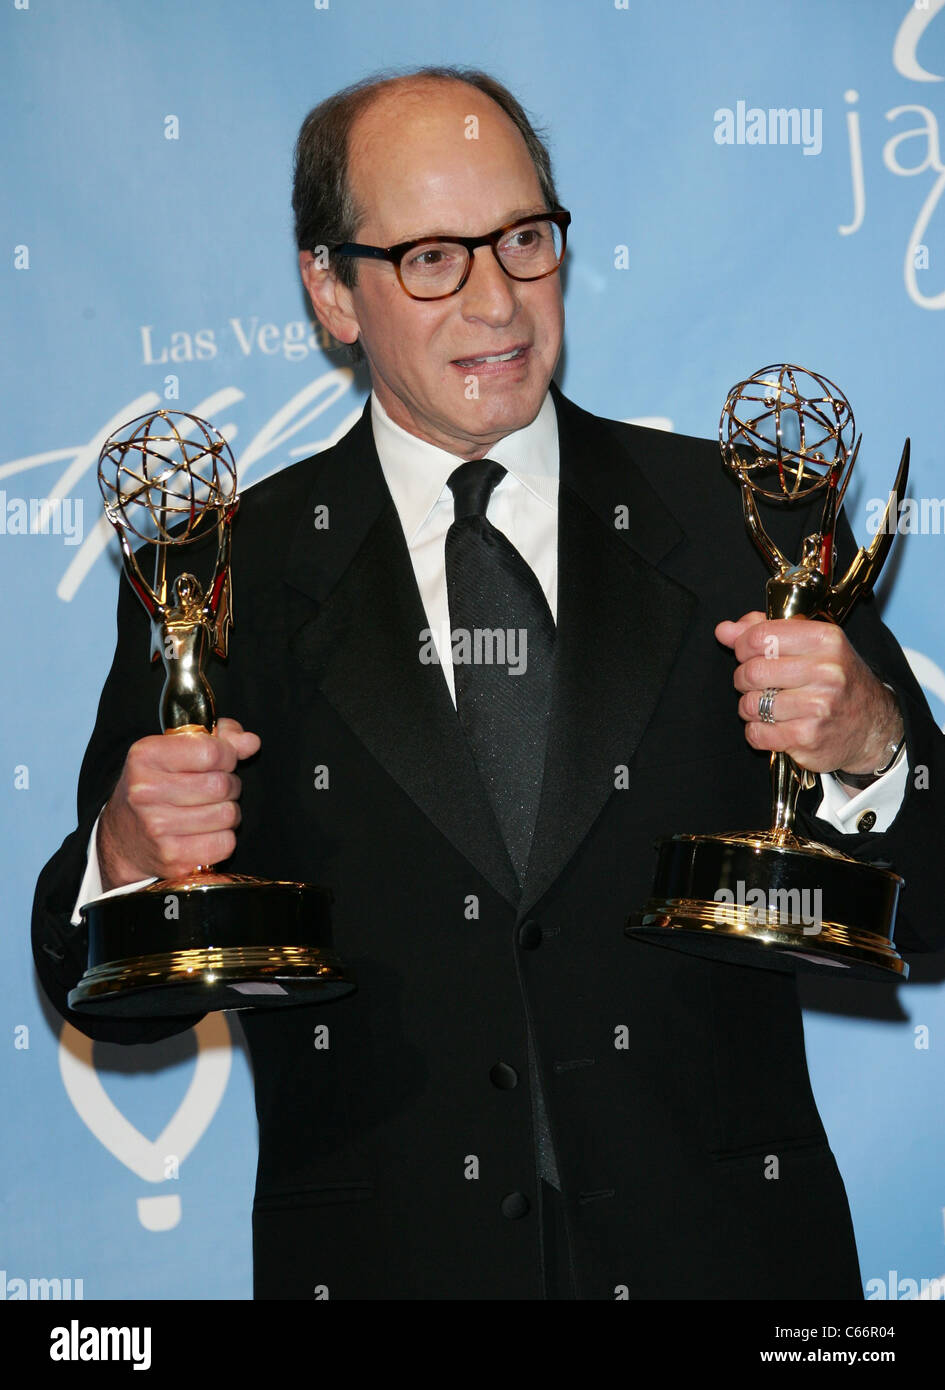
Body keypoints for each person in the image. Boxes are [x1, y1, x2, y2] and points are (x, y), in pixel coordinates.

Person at [33, 65, 945, 1300]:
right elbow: (100, 994)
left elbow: (932, 908)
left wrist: (871, 746)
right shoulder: (219, 571)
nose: (495, 300)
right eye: (429, 258)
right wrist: (132, 857)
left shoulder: (740, 518)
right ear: (331, 290)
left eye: (523, 240)